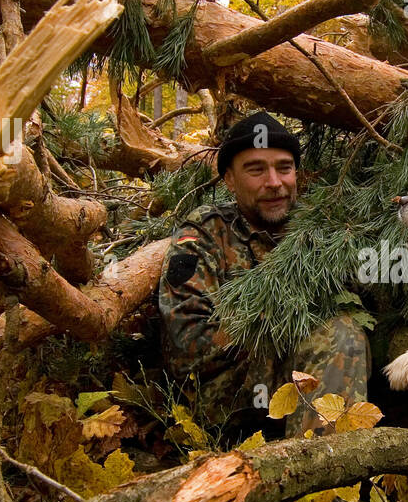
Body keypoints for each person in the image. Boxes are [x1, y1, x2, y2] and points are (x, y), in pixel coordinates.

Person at [158, 112, 370, 440]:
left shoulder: (323, 229)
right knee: (338, 335)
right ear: (229, 180)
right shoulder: (204, 235)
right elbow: (188, 347)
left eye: (284, 168)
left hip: (302, 379)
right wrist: (285, 318)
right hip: (229, 405)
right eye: (256, 170)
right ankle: (322, 479)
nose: (274, 183)